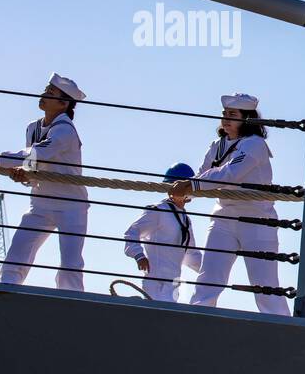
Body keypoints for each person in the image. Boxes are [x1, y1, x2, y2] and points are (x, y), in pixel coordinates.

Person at [170, 93, 290, 315]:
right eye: (224, 114)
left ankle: (284, 330)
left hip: (257, 220)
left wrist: (190, 186)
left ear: (247, 119)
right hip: (224, 216)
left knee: (265, 286)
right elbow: (204, 175)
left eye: (232, 115)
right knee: (209, 279)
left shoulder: (255, 145)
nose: (225, 119)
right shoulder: (217, 145)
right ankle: (196, 320)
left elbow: (230, 173)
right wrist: (185, 195)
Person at [0, 73, 89, 291]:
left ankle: (73, 307)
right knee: (17, 255)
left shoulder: (65, 131)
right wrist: (25, 176)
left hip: (71, 206)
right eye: (45, 91)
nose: (43, 95)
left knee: (70, 266)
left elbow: (35, 154)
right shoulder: (33, 127)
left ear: (63, 103)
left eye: (50, 93)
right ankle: (7, 297)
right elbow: (33, 165)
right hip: (40, 203)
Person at [123, 163, 203, 302]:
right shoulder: (158, 211)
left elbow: (190, 255)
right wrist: (139, 255)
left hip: (173, 285)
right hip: (155, 283)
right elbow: (132, 232)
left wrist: (210, 270)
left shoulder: (185, 219)